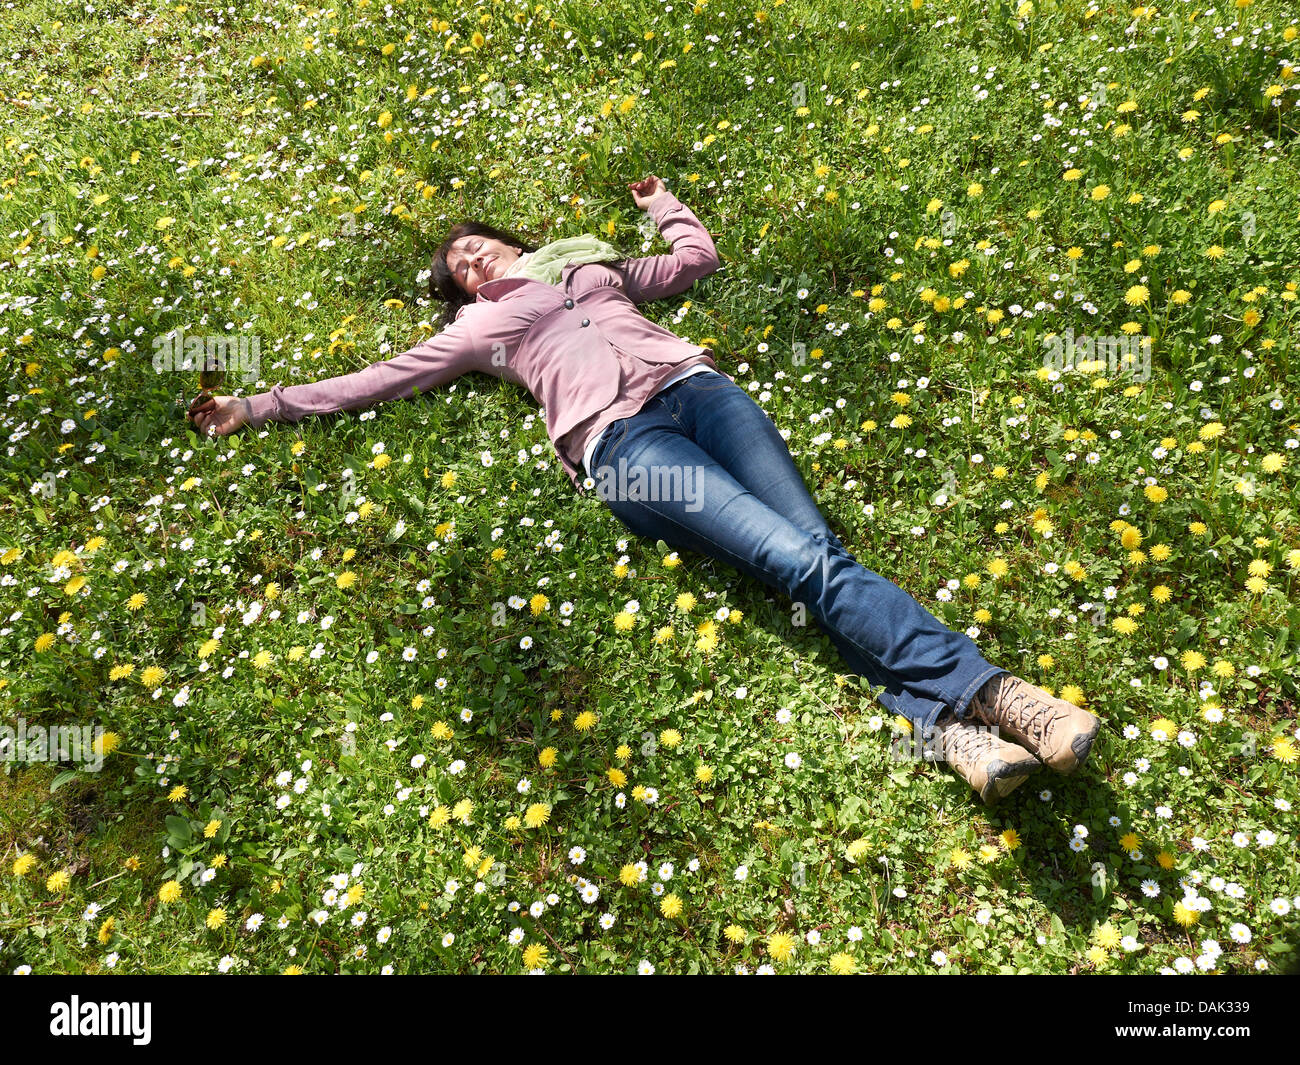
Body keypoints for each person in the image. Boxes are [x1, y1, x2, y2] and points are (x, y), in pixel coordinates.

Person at [187, 173, 1100, 805]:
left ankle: (946, 732)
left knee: (817, 558)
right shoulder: (476, 331)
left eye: (474, 244)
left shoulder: (591, 269)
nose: (469, 259)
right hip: (623, 443)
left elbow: (696, 262)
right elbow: (373, 381)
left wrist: (664, 204)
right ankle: (999, 693)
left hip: (701, 391)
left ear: (508, 237)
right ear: (460, 295)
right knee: (800, 561)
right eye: (456, 267)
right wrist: (253, 406)